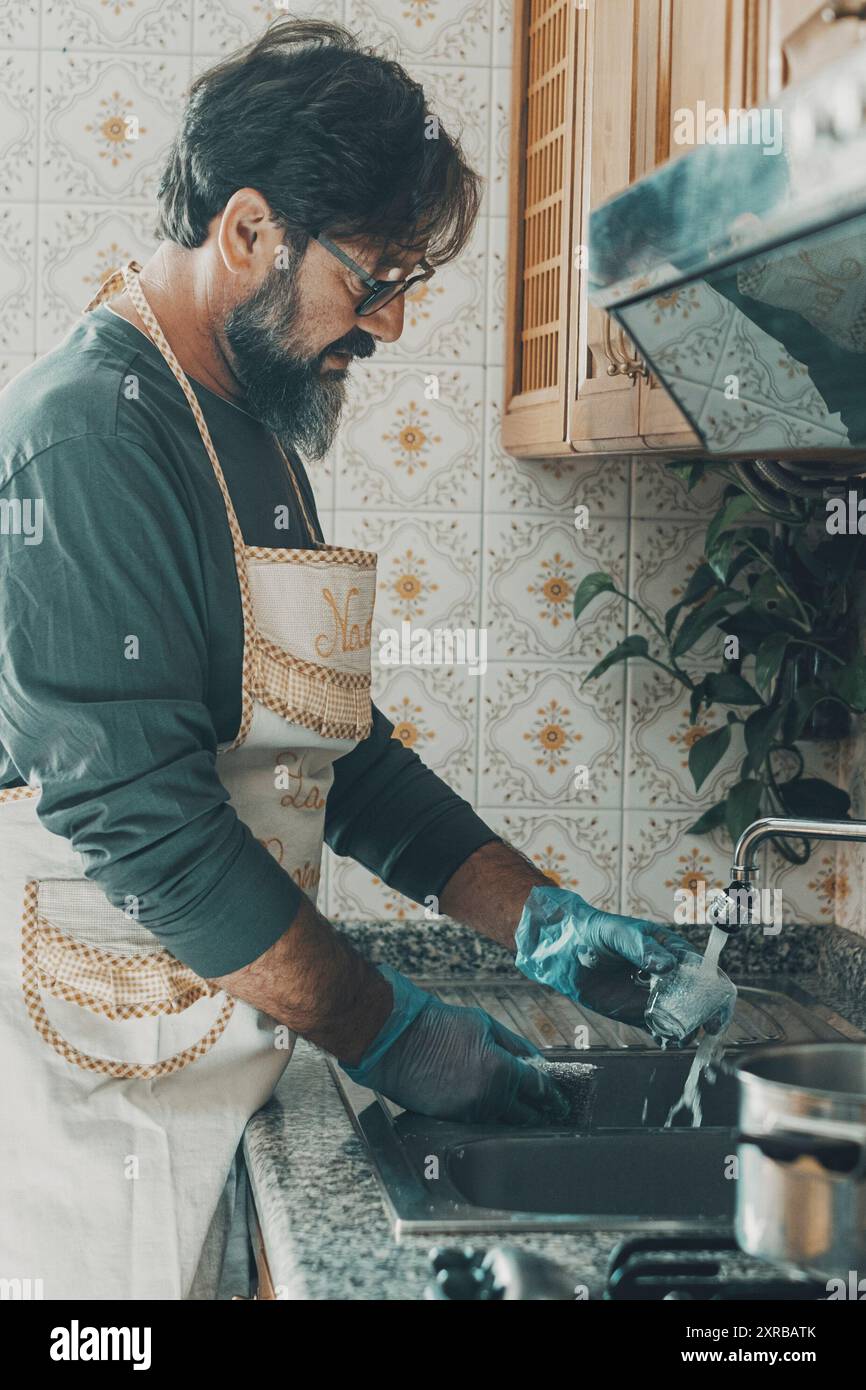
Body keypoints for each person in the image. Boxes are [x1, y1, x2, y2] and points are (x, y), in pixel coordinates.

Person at [0, 18, 689, 1300]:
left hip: (215, 1058)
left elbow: (337, 755)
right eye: (373, 278)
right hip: (94, 1105)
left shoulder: (245, 427)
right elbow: (147, 824)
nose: (393, 322)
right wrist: (406, 1040)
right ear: (250, 230)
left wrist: (536, 917)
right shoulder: (90, 438)